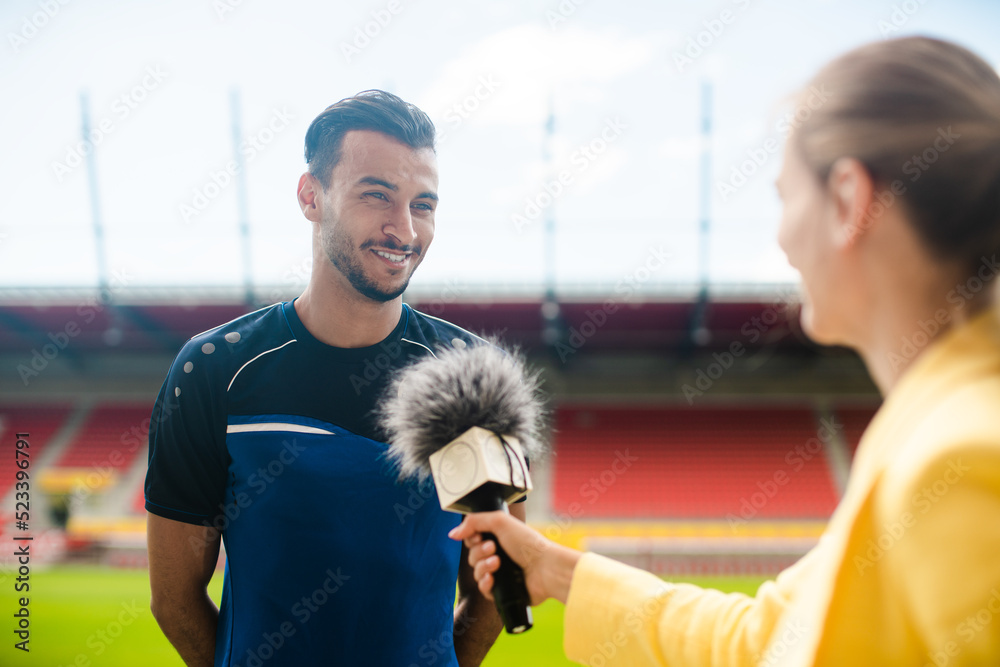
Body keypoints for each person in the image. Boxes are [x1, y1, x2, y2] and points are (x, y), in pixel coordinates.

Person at [452, 36, 1000, 666]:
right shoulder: (933, 431)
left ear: (848, 201)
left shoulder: (959, 460)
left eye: (787, 197)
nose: (783, 238)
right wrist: (558, 573)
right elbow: (767, 641)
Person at [145, 90, 522, 666]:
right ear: (310, 195)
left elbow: (498, 587)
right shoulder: (213, 370)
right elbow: (173, 600)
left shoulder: (473, 380)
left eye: (424, 204)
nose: (404, 228)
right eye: (377, 195)